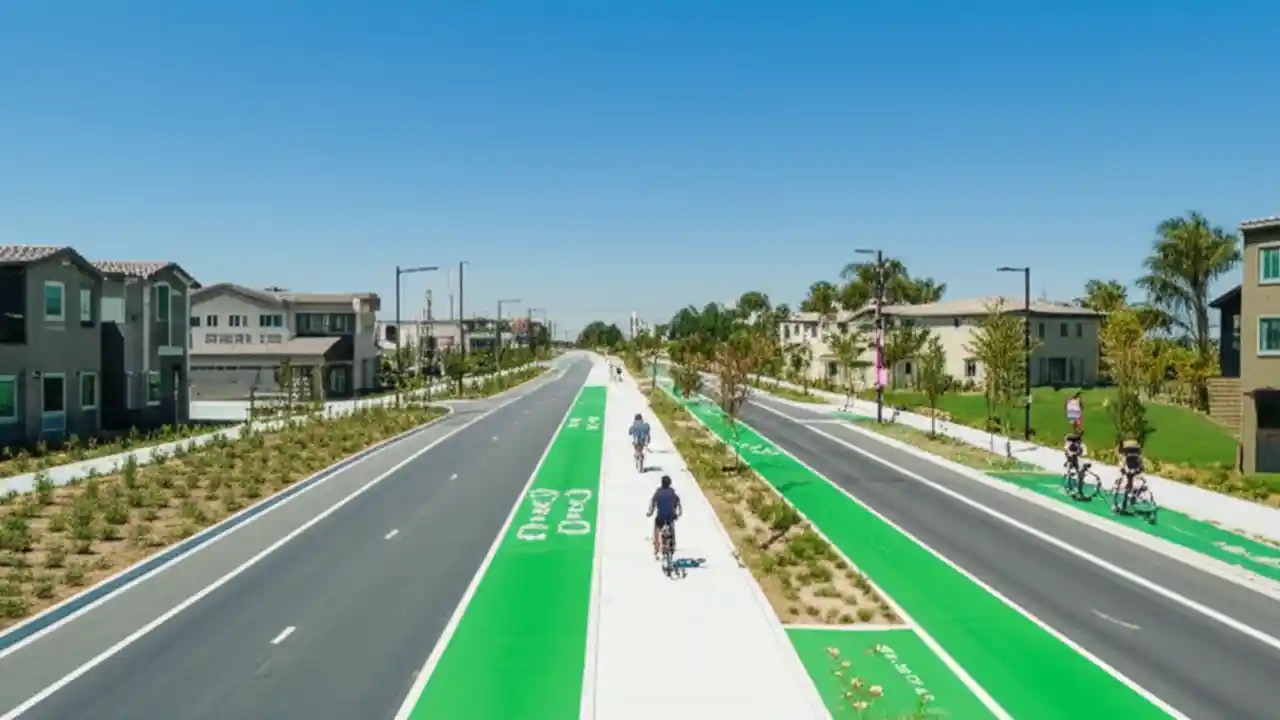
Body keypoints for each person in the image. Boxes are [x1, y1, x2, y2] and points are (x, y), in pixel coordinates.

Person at [647, 475, 682, 559]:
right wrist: (679, 513)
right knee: (671, 526)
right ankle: (673, 544)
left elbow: (652, 504)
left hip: (660, 517)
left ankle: (656, 548)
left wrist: (650, 513)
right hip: (670, 517)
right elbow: (678, 504)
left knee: (656, 529)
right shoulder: (672, 493)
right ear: (669, 483)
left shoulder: (658, 493)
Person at [1117, 439, 1144, 512]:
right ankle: (1123, 505)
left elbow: (1141, 467)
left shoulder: (1137, 457)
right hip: (1128, 474)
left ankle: (1132, 500)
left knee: (1140, 486)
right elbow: (1122, 466)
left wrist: (1136, 471)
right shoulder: (1126, 457)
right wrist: (1126, 472)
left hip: (1135, 474)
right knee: (1127, 488)